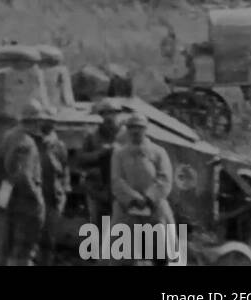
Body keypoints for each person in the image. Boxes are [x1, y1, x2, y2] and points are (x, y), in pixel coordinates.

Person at [110, 113, 174, 265]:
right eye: (132, 127)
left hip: (155, 207)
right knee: (122, 252)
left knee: (161, 251)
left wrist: (149, 197)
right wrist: (133, 198)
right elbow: (116, 180)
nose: (135, 131)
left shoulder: (159, 152)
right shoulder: (119, 154)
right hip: (127, 208)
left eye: (139, 128)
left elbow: (165, 179)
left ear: (146, 129)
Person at [0, 100, 46, 266]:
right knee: (23, 248)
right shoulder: (26, 142)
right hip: (25, 201)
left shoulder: (9, 136)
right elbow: (23, 175)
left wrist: (3, 200)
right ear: (35, 121)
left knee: (4, 244)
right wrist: (37, 199)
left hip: (7, 194)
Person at [79, 99, 121, 229]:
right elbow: (81, 158)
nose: (108, 116)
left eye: (112, 113)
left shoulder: (125, 134)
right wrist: (100, 153)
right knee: (97, 225)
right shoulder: (92, 135)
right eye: (105, 113)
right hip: (97, 188)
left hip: (121, 189)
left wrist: (118, 149)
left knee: (122, 226)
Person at [35, 110, 70, 265]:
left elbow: (65, 168)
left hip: (53, 195)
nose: (48, 124)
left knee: (49, 237)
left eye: (51, 121)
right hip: (35, 194)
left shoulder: (59, 145)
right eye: (44, 120)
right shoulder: (32, 142)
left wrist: (64, 191)